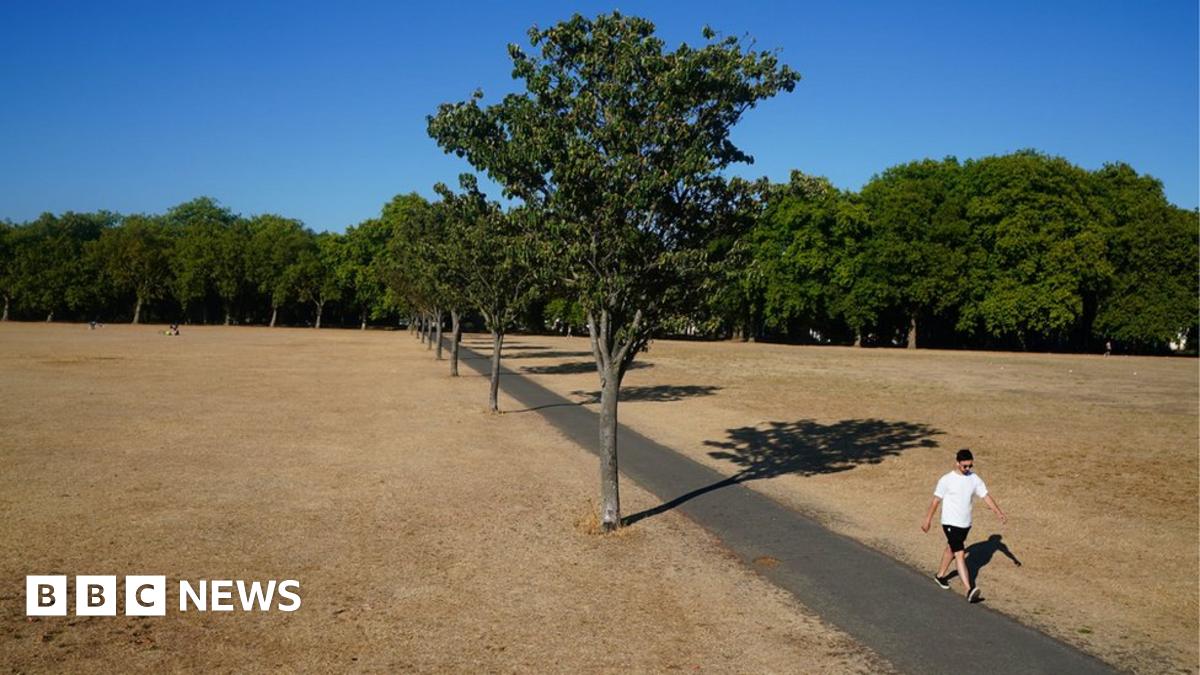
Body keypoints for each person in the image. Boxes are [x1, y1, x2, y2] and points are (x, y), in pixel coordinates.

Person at [921, 448, 1007, 602]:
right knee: (960, 553)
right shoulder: (946, 480)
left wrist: (997, 512)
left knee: (951, 549)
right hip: (949, 522)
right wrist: (927, 520)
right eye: (964, 466)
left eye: (970, 466)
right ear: (957, 463)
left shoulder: (974, 479)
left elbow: (985, 496)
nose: (967, 469)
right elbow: (935, 501)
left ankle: (940, 576)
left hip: (965, 523)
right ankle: (969, 589)